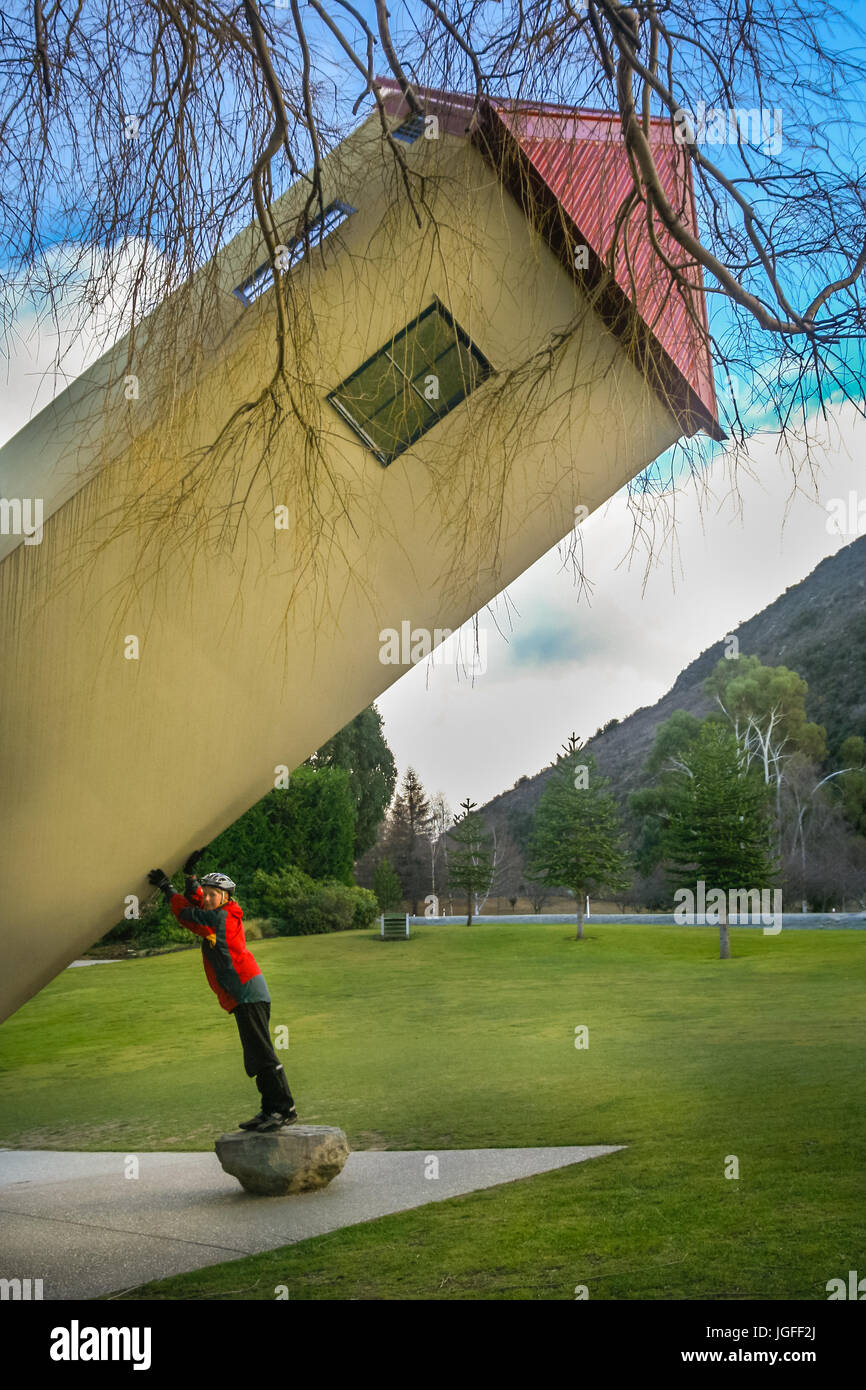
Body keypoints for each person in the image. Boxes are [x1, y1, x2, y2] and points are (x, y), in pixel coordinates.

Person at [147, 851, 298, 1132]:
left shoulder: (219, 921)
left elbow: (188, 913)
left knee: (263, 1052)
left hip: (247, 992)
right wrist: (191, 876)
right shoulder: (219, 913)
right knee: (255, 1054)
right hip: (244, 994)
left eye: (213, 894)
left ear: (225, 897)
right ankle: (269, 1110)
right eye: (206, 893)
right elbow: (198, 903)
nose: (206, 898)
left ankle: (284, 1109)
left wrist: (168, 889)